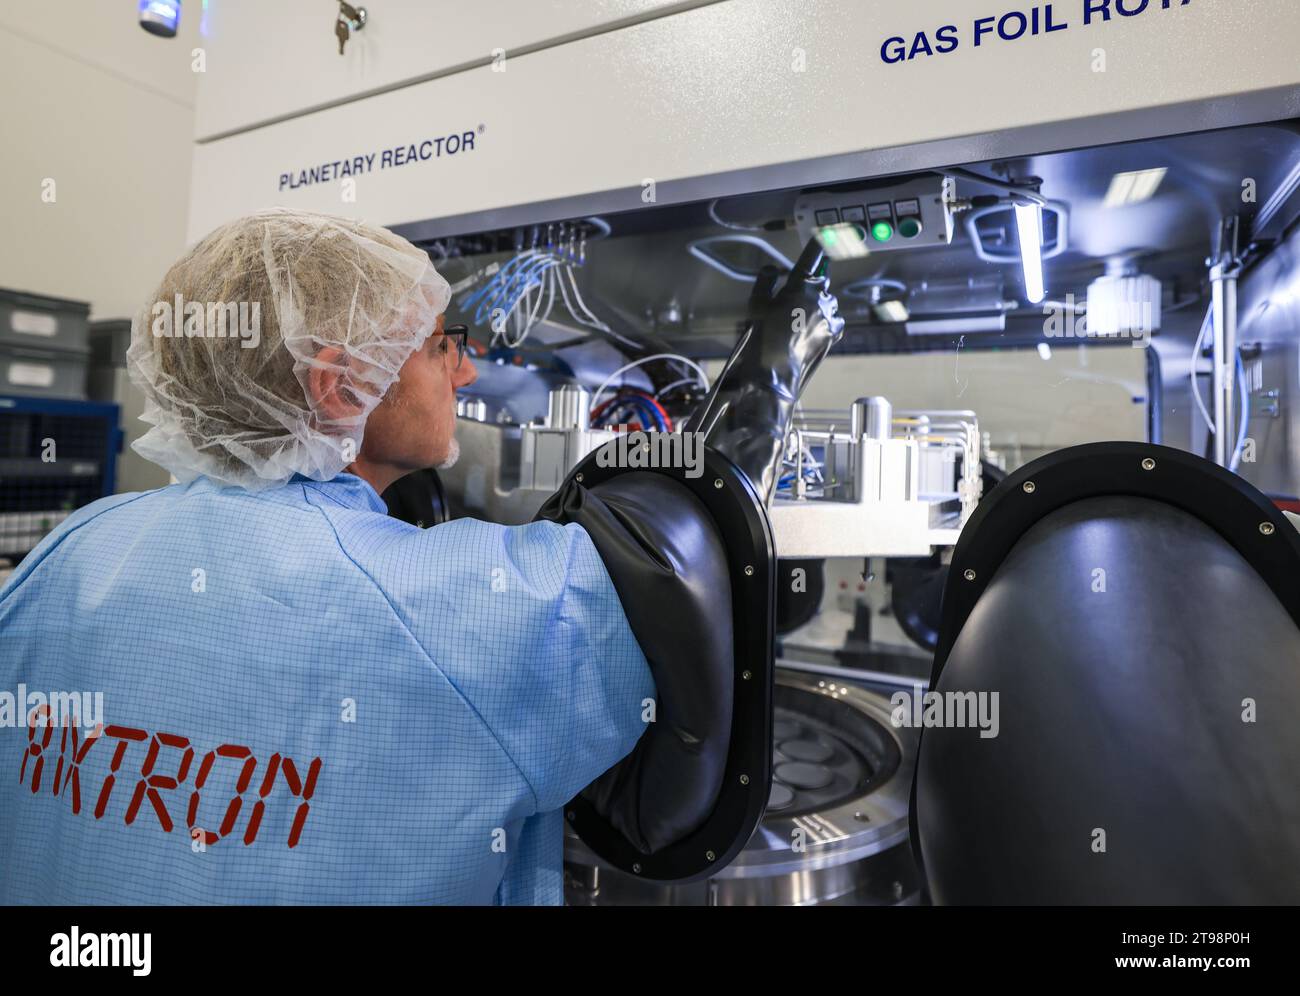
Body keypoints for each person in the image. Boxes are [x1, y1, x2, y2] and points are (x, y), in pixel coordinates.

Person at [0, 209, 654, 905]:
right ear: (341, 385)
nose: (464, 369)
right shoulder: (483, 606)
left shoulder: (72, 550)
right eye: (438, 346)